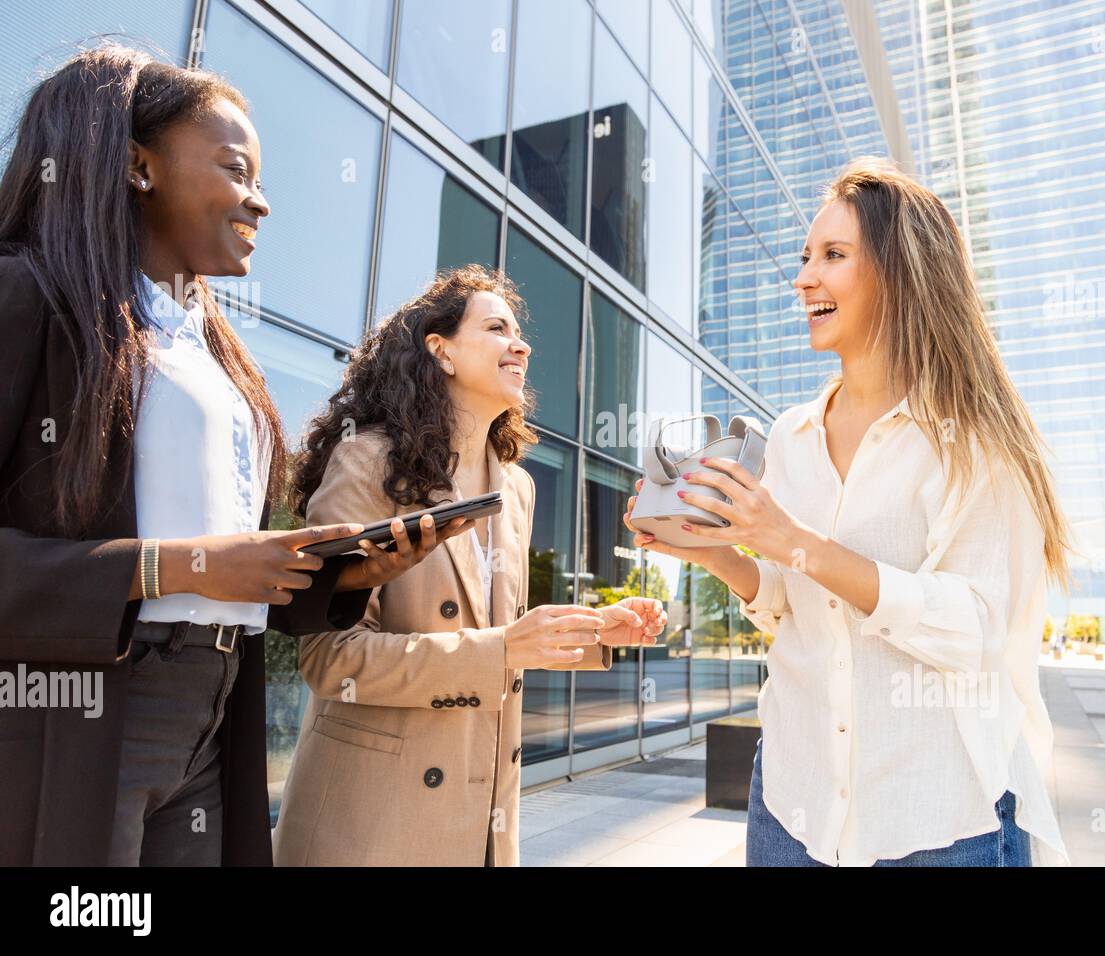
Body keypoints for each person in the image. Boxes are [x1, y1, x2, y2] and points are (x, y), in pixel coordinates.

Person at [0, 44, 449, 866]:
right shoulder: (27, 298)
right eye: (236, 169)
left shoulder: (209, 351)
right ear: (139, 166)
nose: (262, 203)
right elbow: (191, 566)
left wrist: (343, 578)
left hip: (213, 716)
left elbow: (228, 579)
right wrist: (184, 567)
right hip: (87, 721)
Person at [626, 158, 1074, 867]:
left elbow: (977, 631)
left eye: (833, 256)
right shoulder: (792, 437)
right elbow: (799, 604)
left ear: (900, 273)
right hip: (792, 806)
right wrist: (718, 554)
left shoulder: (974, 437)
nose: (804, 277)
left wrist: (793, 540)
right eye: (806, 257)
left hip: (938, 817)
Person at [272, 265, 667, 866]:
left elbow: (492, 629)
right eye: (496, 328)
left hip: (481, 821)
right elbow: (329, 658)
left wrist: (594, 629)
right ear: (441, 351)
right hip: (369, 824)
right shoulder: (366, 461)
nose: (522, 343)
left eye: (519, 331)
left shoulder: (517, 487)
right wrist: (501, 650)